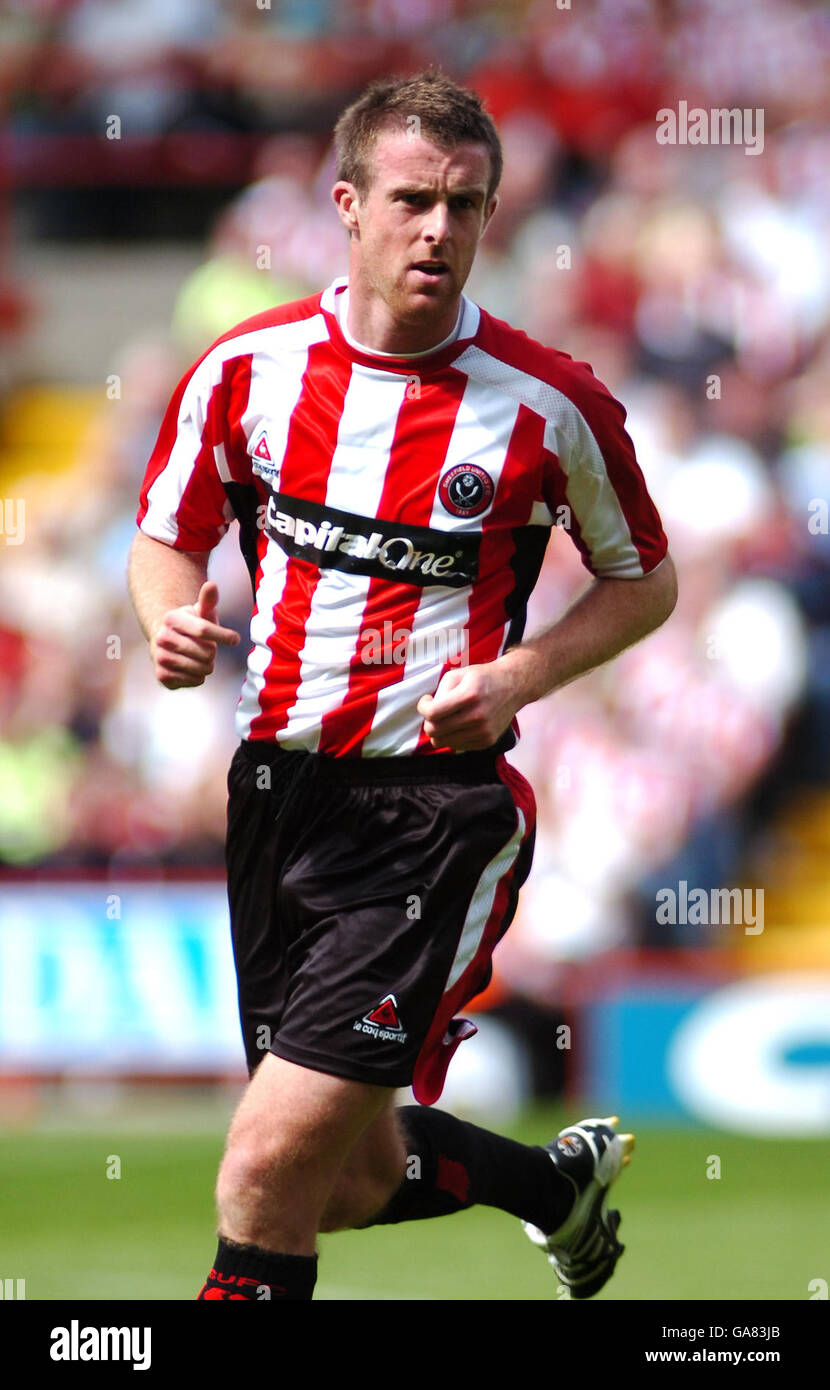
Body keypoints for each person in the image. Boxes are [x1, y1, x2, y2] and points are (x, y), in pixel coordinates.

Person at [127, 69, 676, 1302]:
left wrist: (522, 672)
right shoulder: (246, 370)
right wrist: (167, 622)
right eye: (415, 199)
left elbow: (644, 581)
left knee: (264, 1169)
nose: (441, 230)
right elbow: (166, 537)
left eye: (467, 205)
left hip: (433, 816)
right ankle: (553, 1190)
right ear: (347, 204)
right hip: (276, 796)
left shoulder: (550, 403)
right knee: (342, 1180)